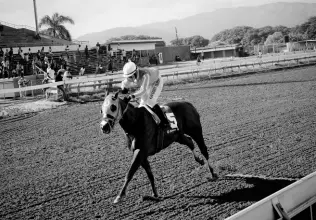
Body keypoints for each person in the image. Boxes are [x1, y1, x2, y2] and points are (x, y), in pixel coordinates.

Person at [121, 61, 169, 128]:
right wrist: (123, 89)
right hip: (147, 83)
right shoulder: (131, 75)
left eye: (130, 77)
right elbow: (124, 83)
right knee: (142, 105)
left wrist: (132, 96)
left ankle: (164, 122)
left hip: (156, 81)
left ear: (135, 73)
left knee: (150, 101)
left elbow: (143, 90)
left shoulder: (145, 75)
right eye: (128, 77)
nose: (129, 78)